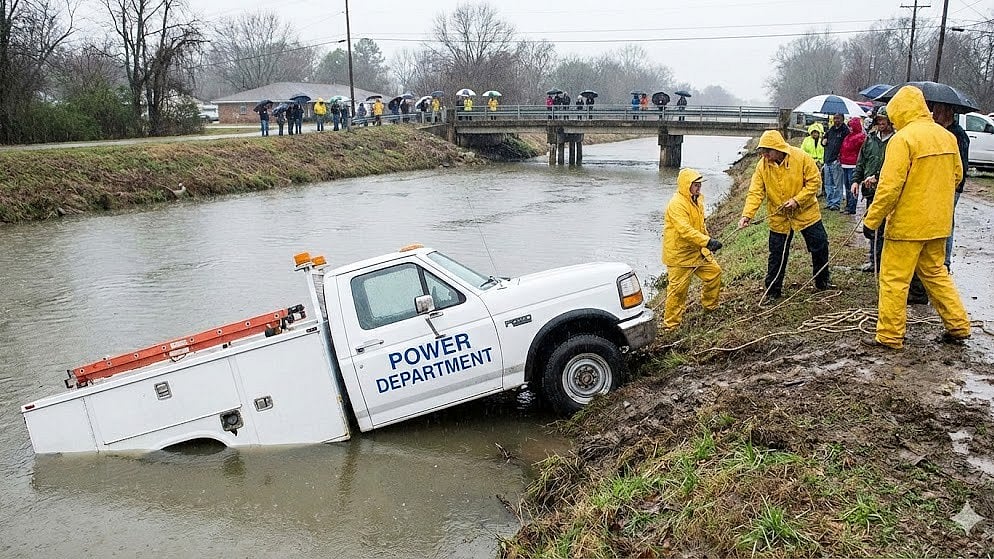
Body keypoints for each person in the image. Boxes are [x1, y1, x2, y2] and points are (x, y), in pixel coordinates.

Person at [862, 85, 970, 349]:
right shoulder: (947, 138)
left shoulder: (903, 140)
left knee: (895, 280)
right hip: (938, 224)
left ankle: (889, 335)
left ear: (899, 110)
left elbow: (889, 188)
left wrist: (871, 220)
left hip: (907, 227)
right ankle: (959, 325)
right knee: (936, 274)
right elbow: (957, 176)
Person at [738, 130, 832, 302]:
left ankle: (822, 282)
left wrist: (797, 200)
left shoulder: (801, 158)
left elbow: (814, 182)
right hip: (779, 216)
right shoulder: (762, 165)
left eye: (768, 151)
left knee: (820, 245)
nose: (764, 155)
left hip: (806, 212)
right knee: (777, 253)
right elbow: (756, 192)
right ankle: (773, 290)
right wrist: (747, 215)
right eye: (762, 151)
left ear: (778, 148)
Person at [662, 168, 723, 330]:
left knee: (714, 273)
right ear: (685, 185)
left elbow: (700, 226)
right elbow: (685, 230)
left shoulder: (697, 200)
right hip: (679, 256)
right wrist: (707, 242)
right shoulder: (676, 204)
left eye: (699, 184)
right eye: (695, 185)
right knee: (677, 293)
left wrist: (707, 241)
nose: (698, 187)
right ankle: (671, 326)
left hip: (697, 252)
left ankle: (710, 307)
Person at [851, 106, 894, 273]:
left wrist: (877, 176)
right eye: (879, 120)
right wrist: (856, 181)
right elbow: (861, 162)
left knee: (885, 229)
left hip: (887, 192)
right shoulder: (869, 139)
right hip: (870, 192)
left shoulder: (896, 141)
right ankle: (873, 260)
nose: (881, 123)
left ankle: (883, 262)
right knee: (871, 227)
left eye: (884, 120)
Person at [930, 101, 970, 271]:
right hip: (935, 183)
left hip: (951, 186)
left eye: (938, 110)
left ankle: (944, 260)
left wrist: (954, 185)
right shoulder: (936, 131)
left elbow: (960, 166)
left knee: (946, 221)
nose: (934, 114)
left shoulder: (958, 135)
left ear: (948, 112)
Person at [821, 113, 849, 211]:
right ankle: (829, 202)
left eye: (838, 118)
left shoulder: (845, 131)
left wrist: (840, 157)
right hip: (827, 159)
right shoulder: (831, 130)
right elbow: (824, 139)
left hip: (837, 161)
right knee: (828, 183)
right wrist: (823, 141)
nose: (836, 120)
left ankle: (836, 203)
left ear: (842, 119)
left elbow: (847, 145)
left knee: (837, 184)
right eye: (835, 118)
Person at [839, 116, 866, 215]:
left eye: (851, 126)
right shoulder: (848, 136)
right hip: (845, 164)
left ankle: (852, 206)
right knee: (847, 187)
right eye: (849, 126)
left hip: (853, 165)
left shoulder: (860, 137)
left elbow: (861, 151)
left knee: (853, 186)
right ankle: (848, 205)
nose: (850, 128)